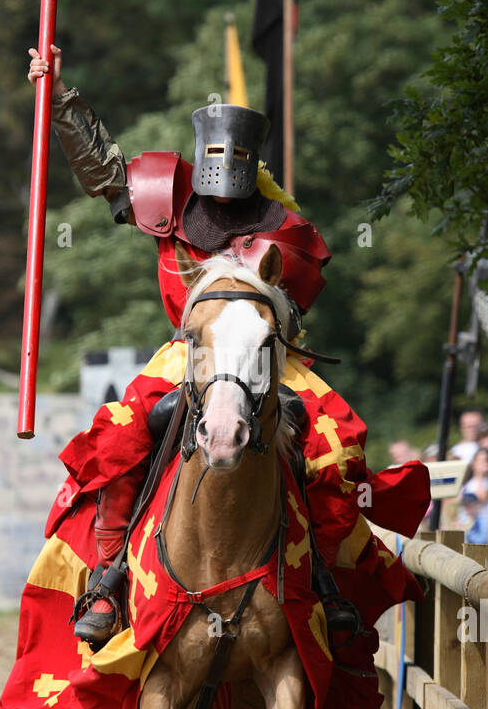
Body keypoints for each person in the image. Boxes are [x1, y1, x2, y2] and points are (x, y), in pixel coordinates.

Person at [23, 43, 430, 650]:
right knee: (117, 439)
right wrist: (58, 95)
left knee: (330, 446)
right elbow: (103, 171)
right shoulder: (167, 196)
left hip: (269, 356)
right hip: (186, 353)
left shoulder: (282, 227)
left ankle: (322, 580)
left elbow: (294, 310)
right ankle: (109, 582)